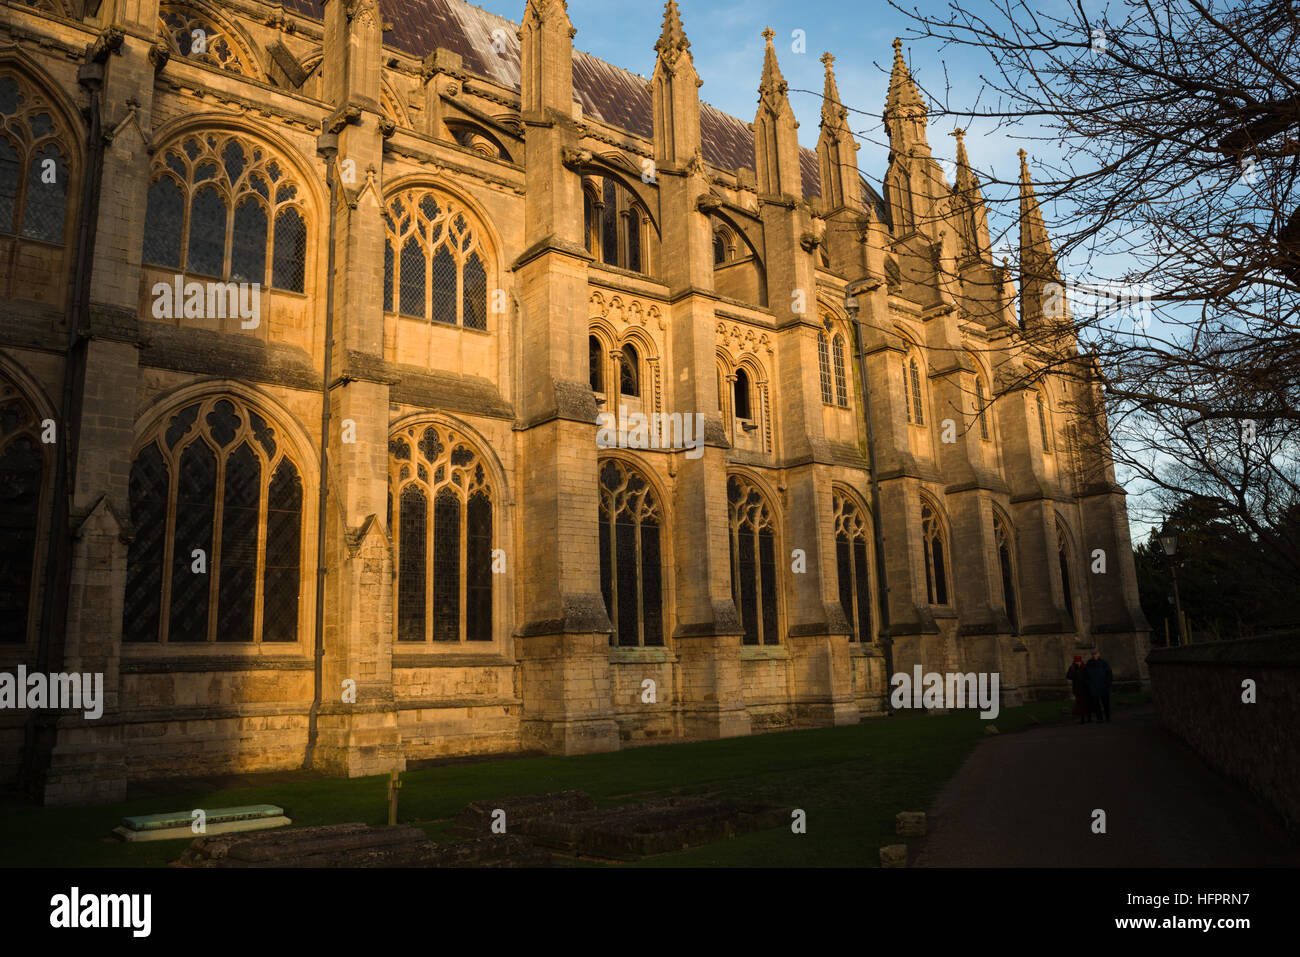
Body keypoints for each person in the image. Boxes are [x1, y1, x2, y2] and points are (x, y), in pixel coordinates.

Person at [1085, 649, 1113, 722]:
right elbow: (1086, 675)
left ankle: (1107, 717)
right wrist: (1089, 684)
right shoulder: (1089, 663)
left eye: (1095, 654)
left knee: (1105, 703)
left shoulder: (1104, 663)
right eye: (1093, 654)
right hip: (1094, 687)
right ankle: (1099, 718)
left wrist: (1108, 684)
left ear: (1098, 654)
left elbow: (1109, 673)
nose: (1094, 655)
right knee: (1096, 704)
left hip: (1104, 686)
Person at [1066, 655, 1090, 723]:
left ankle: (1088, 717)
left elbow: (1088, 676)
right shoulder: (1073, 667)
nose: (1077, 662)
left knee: (1086, 703)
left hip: (1085, 688)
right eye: (1076, 661)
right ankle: (1082, 718)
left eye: (1078, 661)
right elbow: (1069, 676)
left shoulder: (1084, 667)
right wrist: (1074, 671)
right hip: (1077, 688)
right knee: (1080, 704)